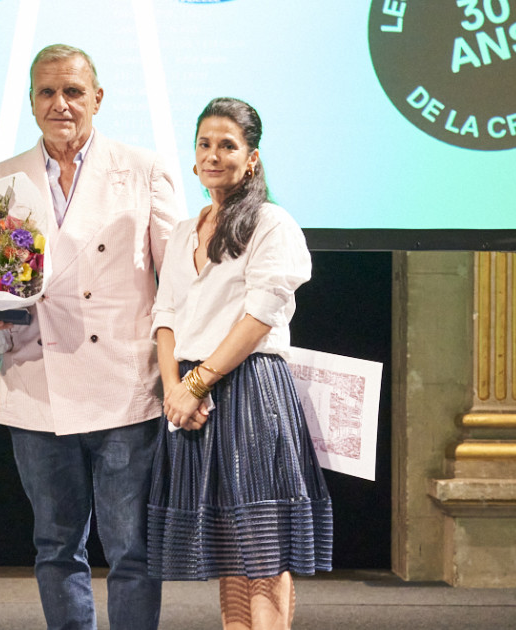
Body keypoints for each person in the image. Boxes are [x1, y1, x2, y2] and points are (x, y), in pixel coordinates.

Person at [0, 44, 184, 629]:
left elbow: (177, 283)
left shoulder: (144, 168)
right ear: (32, 101)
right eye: (48, 92)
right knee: (56, 547)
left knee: (132, 548)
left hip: (127, 387)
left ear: (97, 99)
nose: (61, 104)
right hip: (37, 385)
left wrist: (182, 376)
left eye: (73, 92)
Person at [146, 97, 333, 630]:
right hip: (192, 394)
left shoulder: (273, 222)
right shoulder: (185, 230)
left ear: (251, 157)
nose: (213, 155)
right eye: (204, 144)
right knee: (231, 546)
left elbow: (259, 316)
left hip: (250, 388)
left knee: (263, 547)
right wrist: (173, 391)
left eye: (227, 145)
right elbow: (165, 317)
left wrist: (197, 383)